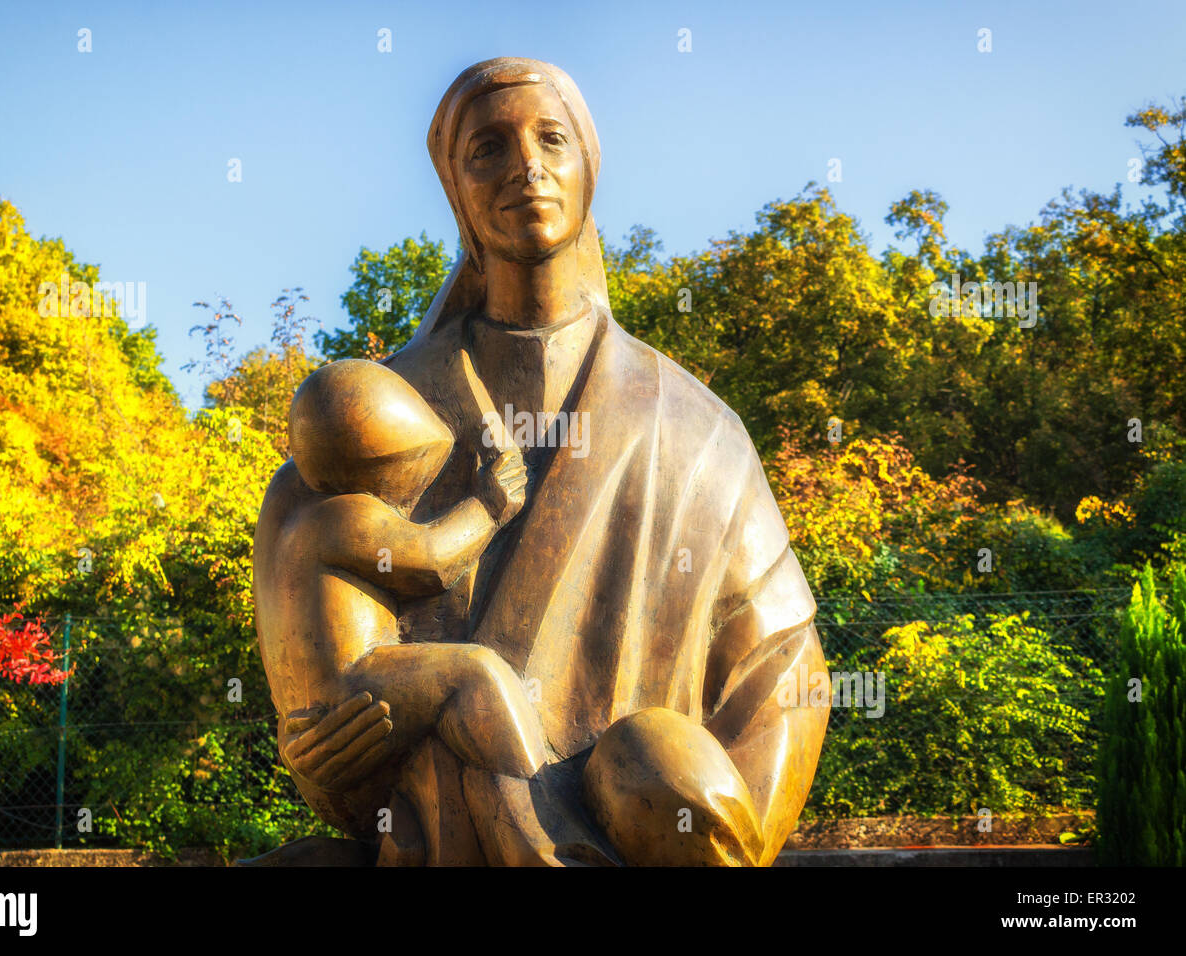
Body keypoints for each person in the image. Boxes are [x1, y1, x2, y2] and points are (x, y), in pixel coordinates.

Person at [254, 58, 830, 866]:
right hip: (429, 839)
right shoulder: (375, 417)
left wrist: (728, 831)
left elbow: (781, 665)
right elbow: (310, 604)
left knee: (655, 766)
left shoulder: (698, 428)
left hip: (638, 825)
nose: (526, 165)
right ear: (455, 188)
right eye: (487, 148)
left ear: (588, 164)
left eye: (551, 138)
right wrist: (313, 730)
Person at [256, 358, 545, 802]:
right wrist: (489, 506)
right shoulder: (346, 512)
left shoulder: (304, 507)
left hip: (328, 703)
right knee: (477, 676)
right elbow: (432, 562)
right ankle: (538, 805)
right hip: (355, 695)